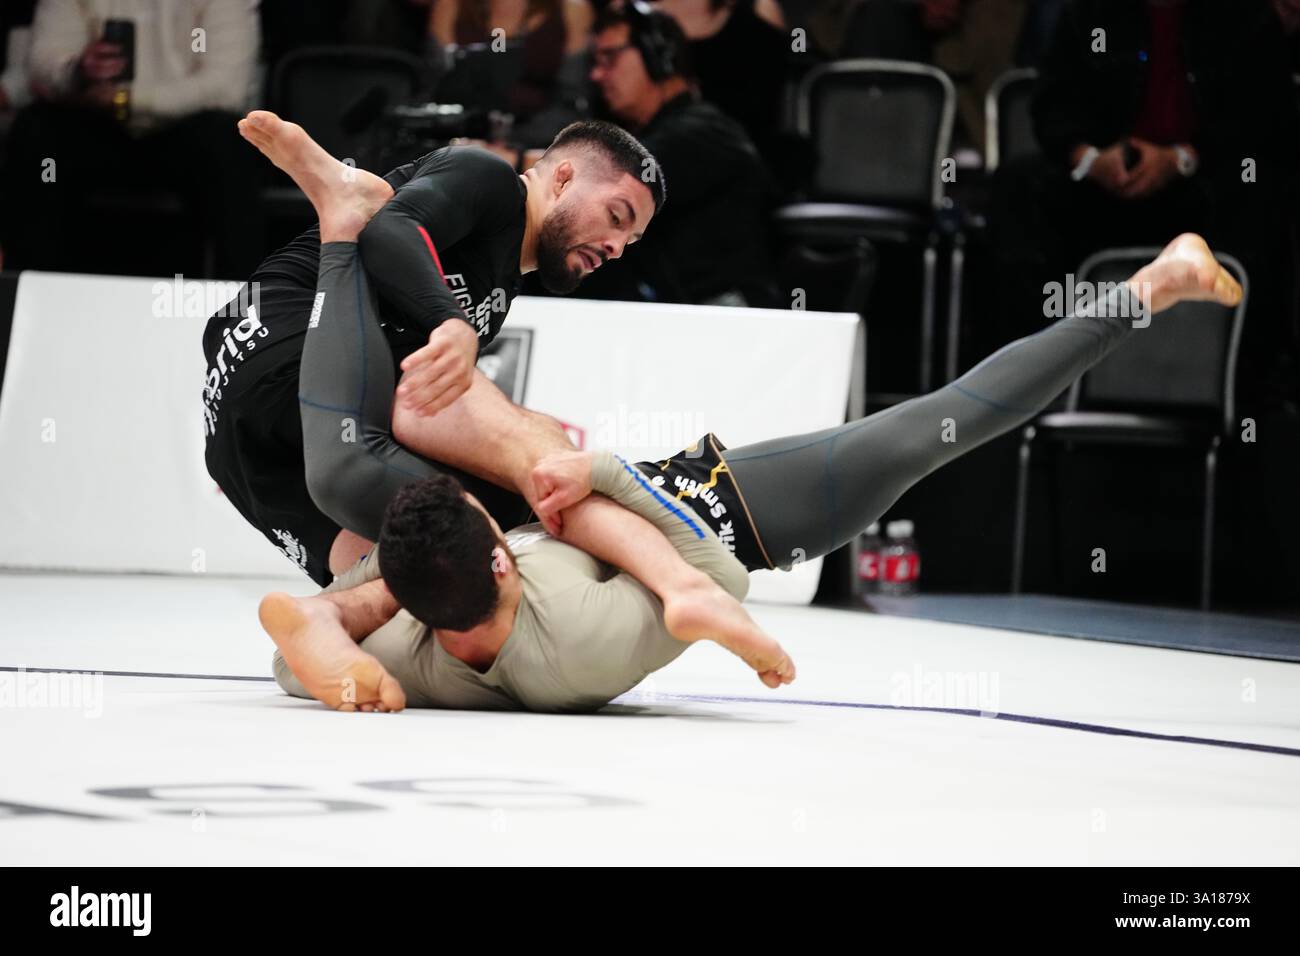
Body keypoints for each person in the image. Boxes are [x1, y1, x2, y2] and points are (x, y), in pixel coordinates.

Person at [256, 182, 1241, 712]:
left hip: (713, 510)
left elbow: (306, 649)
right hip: (717, 507)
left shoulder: (433, 641)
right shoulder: (534, 629)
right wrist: (595, 471)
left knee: (953, 417)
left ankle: (1150, 285)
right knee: (955, 413)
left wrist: (337, 621)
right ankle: (1148, 287)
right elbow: (692, 560)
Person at [204, 110, 663, 587]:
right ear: (564, 178)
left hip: (246, 436)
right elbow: (390, 231)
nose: (616, 248)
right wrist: (450, 321)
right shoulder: (490, 179)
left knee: (409, 586)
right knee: (516, 495)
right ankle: (349, 200)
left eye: (629, 241)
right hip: (289, 332)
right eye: (616, 217)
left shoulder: (500, 286)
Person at [578, 2, 776, 305]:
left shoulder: (705, 132)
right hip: (661, 313)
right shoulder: (654, 132)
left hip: (724, 316)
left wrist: (518, 161)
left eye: (610, 58)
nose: (597, 74)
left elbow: (619, 175)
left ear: (660, 59)